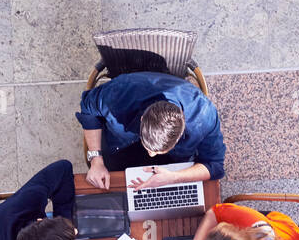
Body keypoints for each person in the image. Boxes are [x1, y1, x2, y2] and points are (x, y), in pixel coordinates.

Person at [76, 72, 225, 191]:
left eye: (157, 151)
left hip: (174, 165)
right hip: (120, 147)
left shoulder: (203, 116)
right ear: (142, 119)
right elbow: (88, 109)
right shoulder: (120, 92)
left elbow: (215, 165)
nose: (151, 155)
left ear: (181, 133)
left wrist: (173, 178)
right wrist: (96, 161)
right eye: (149, 148)